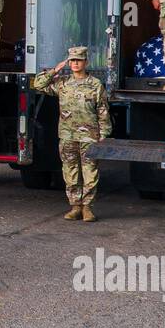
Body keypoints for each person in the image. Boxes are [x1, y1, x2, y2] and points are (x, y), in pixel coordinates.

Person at [30, 46, 112, 222]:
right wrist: (55, 70)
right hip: (68, 136)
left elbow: (103, 111)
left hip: (90, 136)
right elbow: (37, 84)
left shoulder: (95, 85)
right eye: (72, 60)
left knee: (90, 171)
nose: (75, 63)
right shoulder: (63, 83)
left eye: (79, 60)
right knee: (70, 171)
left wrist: (104, 134)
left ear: (86, 62)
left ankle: (87, 207)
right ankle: (75, 207)